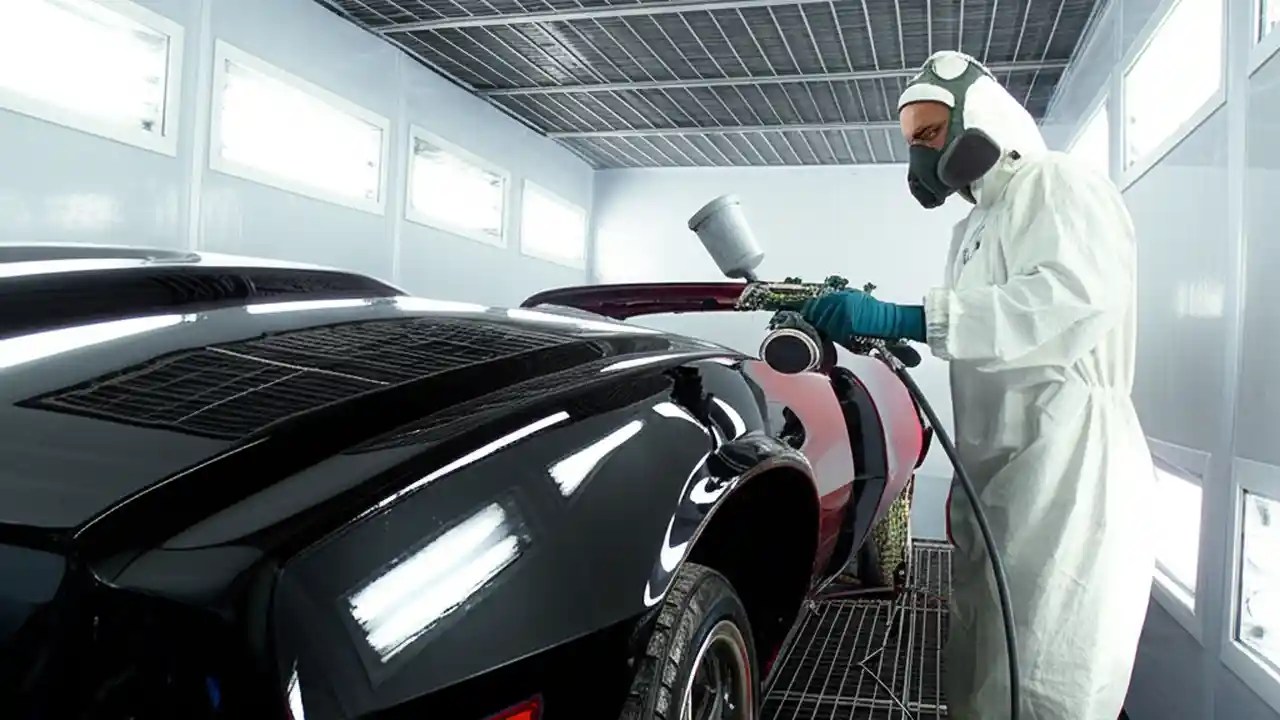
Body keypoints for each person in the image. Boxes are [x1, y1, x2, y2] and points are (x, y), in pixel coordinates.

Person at [800, 51, 1156, 720]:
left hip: (1068, 464)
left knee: (1043, 670)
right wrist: (897, 331)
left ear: (982, 117)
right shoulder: (973, 226)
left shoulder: (1055, 182)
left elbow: (1069, 301)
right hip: (1000, 464)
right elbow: (989, 332)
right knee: (984, 654)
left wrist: (907, 317)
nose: (923, 154)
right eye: (913, 141)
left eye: (932, 134)